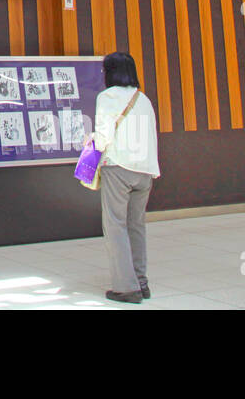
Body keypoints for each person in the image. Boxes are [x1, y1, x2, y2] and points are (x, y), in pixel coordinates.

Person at [94, 51, 159, 305]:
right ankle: (141, 282)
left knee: (115, 227)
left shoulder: (107, 97)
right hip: (145, 171)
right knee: (136, 226)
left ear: (110, 72)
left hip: (118, 167)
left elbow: (103, 137)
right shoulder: (143, 99)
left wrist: (92, 143)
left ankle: (126, 288)